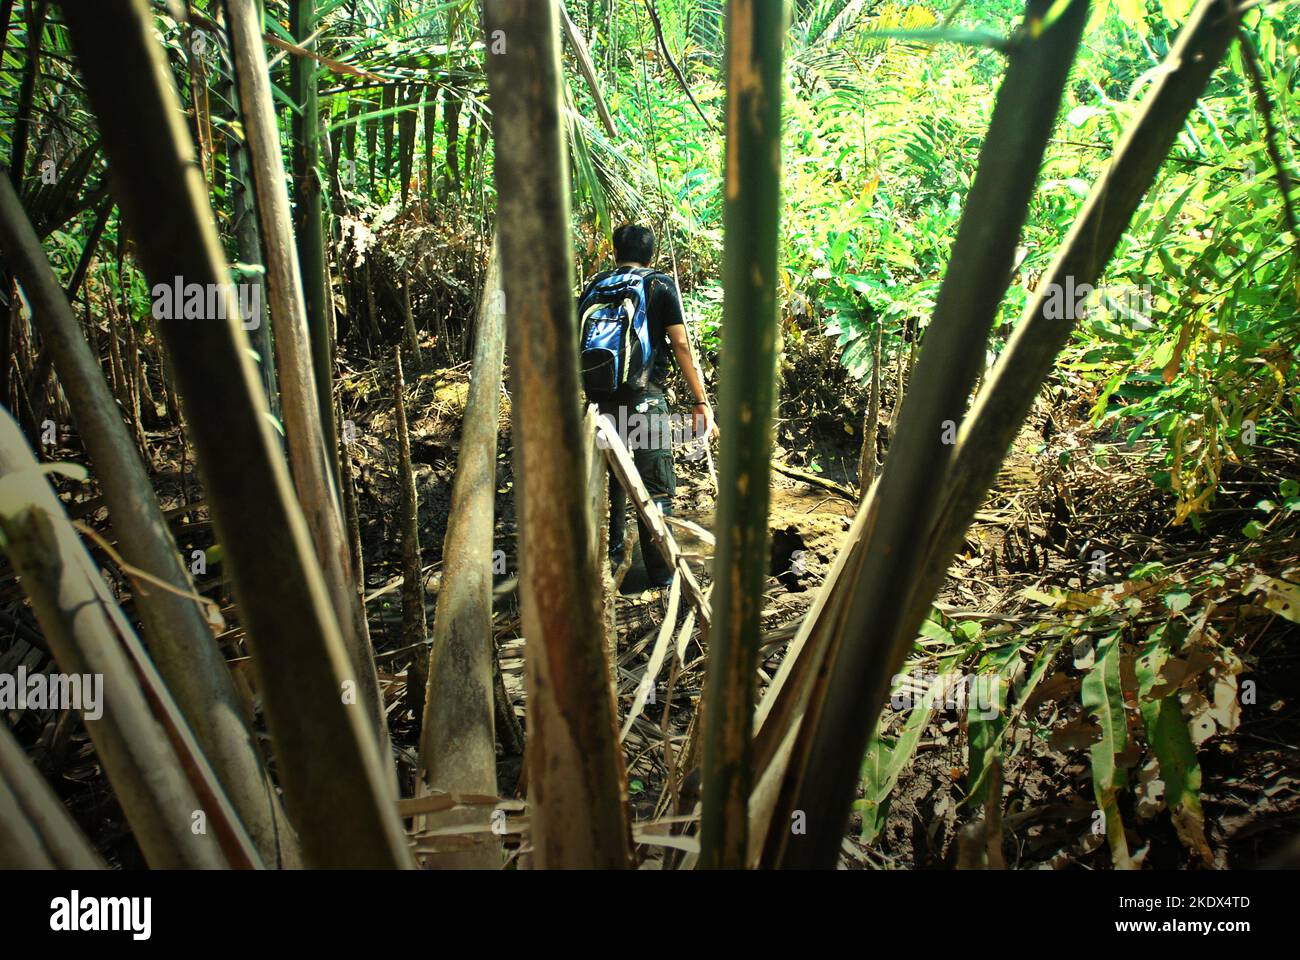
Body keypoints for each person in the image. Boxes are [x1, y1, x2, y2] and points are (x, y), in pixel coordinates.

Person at [579, 223, 717, 589]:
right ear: (651, 253)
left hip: (598, 406)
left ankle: (605, 574)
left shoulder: (595, 286)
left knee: (608, 489)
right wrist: (701, 401)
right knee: (654, 487)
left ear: (615, 252)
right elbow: (681, 345)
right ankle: (663, 582)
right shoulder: (658, 284)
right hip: (643, 402)